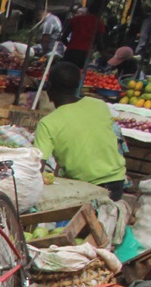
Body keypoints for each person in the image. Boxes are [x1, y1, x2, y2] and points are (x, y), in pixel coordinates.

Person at [34, 62, 128, 201]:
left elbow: (36, 168)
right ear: (79, 85)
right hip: (117, 183)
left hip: (86, 189)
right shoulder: (99, 105)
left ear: (49, 88)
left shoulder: (48, 124)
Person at [65, 2, 104, 69]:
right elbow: (99, 42)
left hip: (70, 51)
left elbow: (63, 37)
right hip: (85, 53)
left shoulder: (75, 19)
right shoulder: (99, 23)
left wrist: (70, 45)